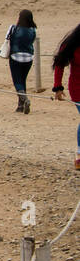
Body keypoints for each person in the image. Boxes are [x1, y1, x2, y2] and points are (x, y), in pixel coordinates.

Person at [51, 23, 80, 169]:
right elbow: (59, 64)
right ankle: (79, 154)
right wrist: (58, 87)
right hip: (78, 88)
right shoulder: (72, 44)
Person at [5, 9, 37, 114]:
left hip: (15, 57)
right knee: (23, 81)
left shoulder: (13, 28)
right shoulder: (33, 30)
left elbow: (7, 38)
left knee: (17, 81)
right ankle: (21, 105)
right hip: (28, 58)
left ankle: (25, 100)